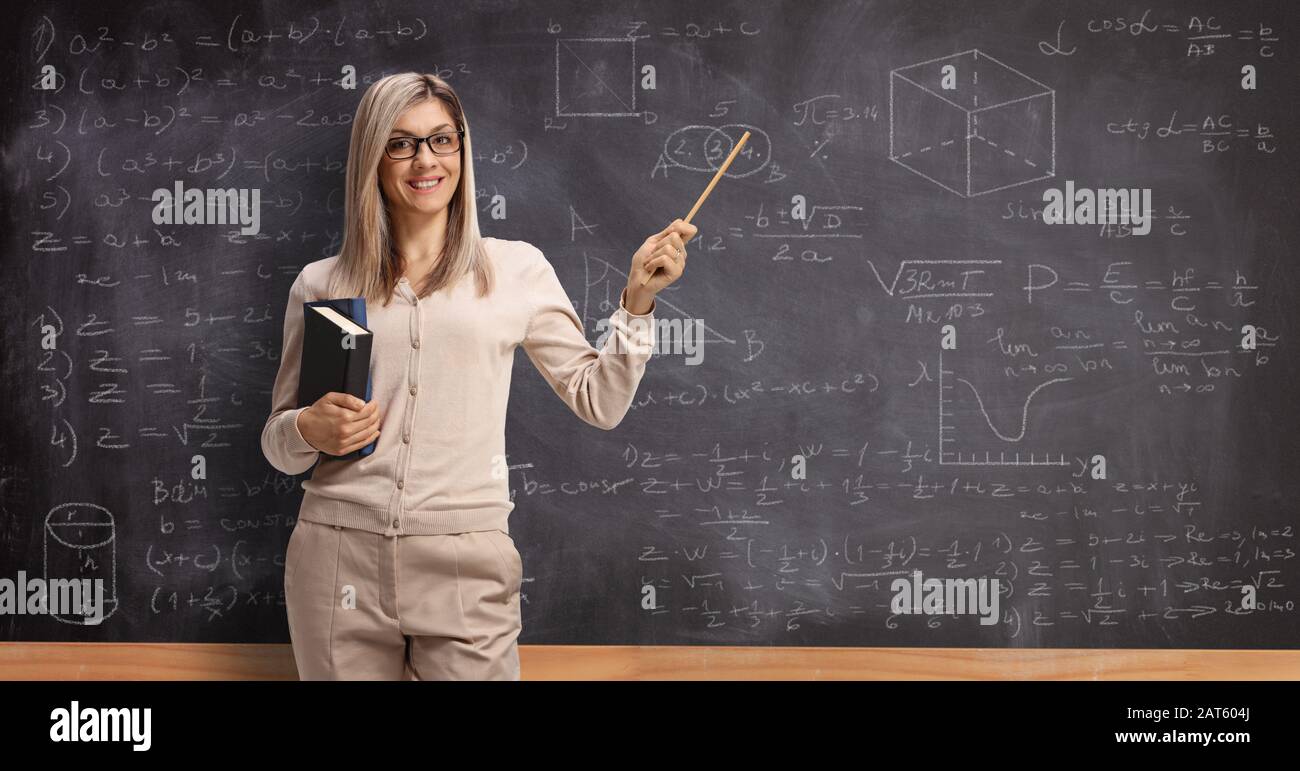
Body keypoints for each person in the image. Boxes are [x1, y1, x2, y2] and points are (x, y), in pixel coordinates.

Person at [260, 72, 695, 680]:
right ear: (373, 156)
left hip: (465, 561)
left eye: (442, 140)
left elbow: (599, 401)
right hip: (335, 559)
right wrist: (307, 428)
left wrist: (638, 302)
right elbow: (281, 447)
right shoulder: (325, 283)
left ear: (462, 150)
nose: (425, 161)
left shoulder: (515, 271)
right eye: (401, 143)